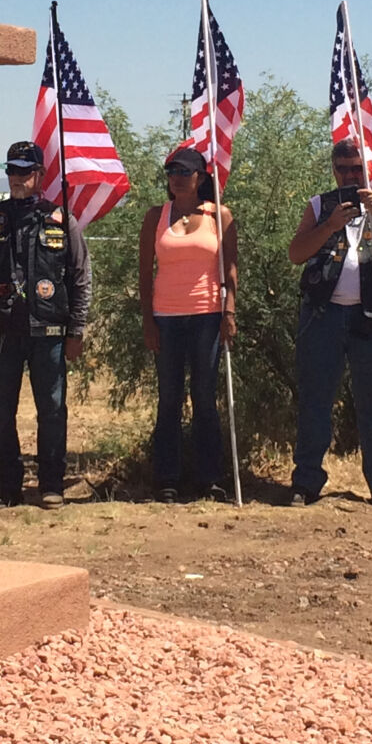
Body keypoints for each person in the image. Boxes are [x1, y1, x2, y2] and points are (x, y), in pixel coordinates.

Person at [287, 140, 372, 508]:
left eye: (356, 168)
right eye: (342, 167)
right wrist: (329, 226)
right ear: (333, 168)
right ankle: (306, 481)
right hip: (322, 316)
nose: (349, 174)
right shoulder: (320, 205)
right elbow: (296, 254)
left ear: (368, 169)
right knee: (315, 399)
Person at [0, 141, 91, 509]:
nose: (17, 177)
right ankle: (7, 486)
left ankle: (51, 485)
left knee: (51, 411)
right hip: (2, 332)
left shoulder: (62, 221)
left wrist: (76, 330)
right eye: (11, 170)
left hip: (48, 332)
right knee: (0, 413)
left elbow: (80, 277)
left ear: (39, 175)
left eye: (24, 171)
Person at [139, 147, 237, 502]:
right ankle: (166, 477)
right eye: (171, 172)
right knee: (169, 398)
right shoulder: (156, 216)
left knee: (205, 397)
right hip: (166, 317)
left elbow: (231, 269)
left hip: (207, 317)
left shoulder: (219, 216)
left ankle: (209, 477)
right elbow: (144, 273)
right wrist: (148, 321)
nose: (177, 178)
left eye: (185, 172)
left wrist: (229, 312)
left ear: (201, 177)